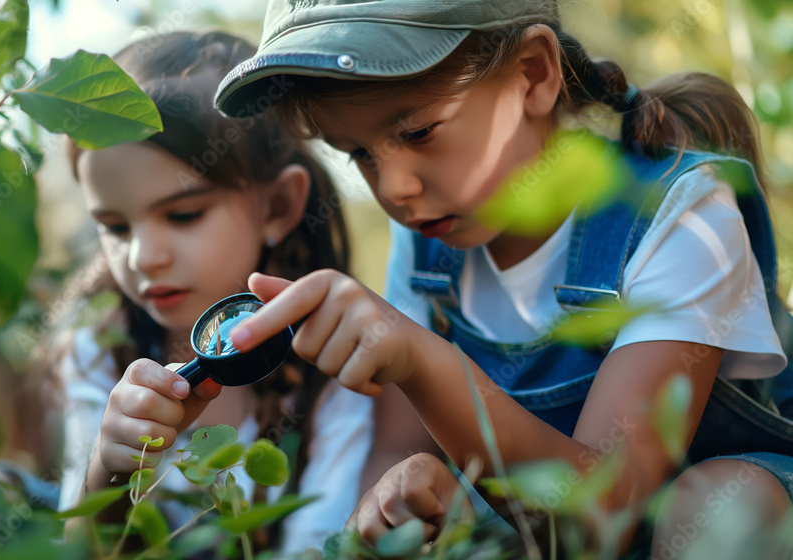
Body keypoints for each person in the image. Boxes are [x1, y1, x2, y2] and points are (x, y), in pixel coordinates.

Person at [211, 0, 793, 557]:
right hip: (534, 527)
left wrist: (421, 359)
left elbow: (605, 517)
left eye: (418, 132)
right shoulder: (428, 243)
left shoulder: (678, 214)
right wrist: (403, 493)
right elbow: (396, 448)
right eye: (359, 154)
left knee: (726, 505)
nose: (393, 189)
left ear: (533, 75)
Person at [49, 30, 373, 554]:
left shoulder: (333, 358)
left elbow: (320, 545)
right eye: (115, 227)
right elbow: (83, 549)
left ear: (277, 207)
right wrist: (110, 468)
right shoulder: (98, 349)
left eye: (183, 215)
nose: (142, 257)